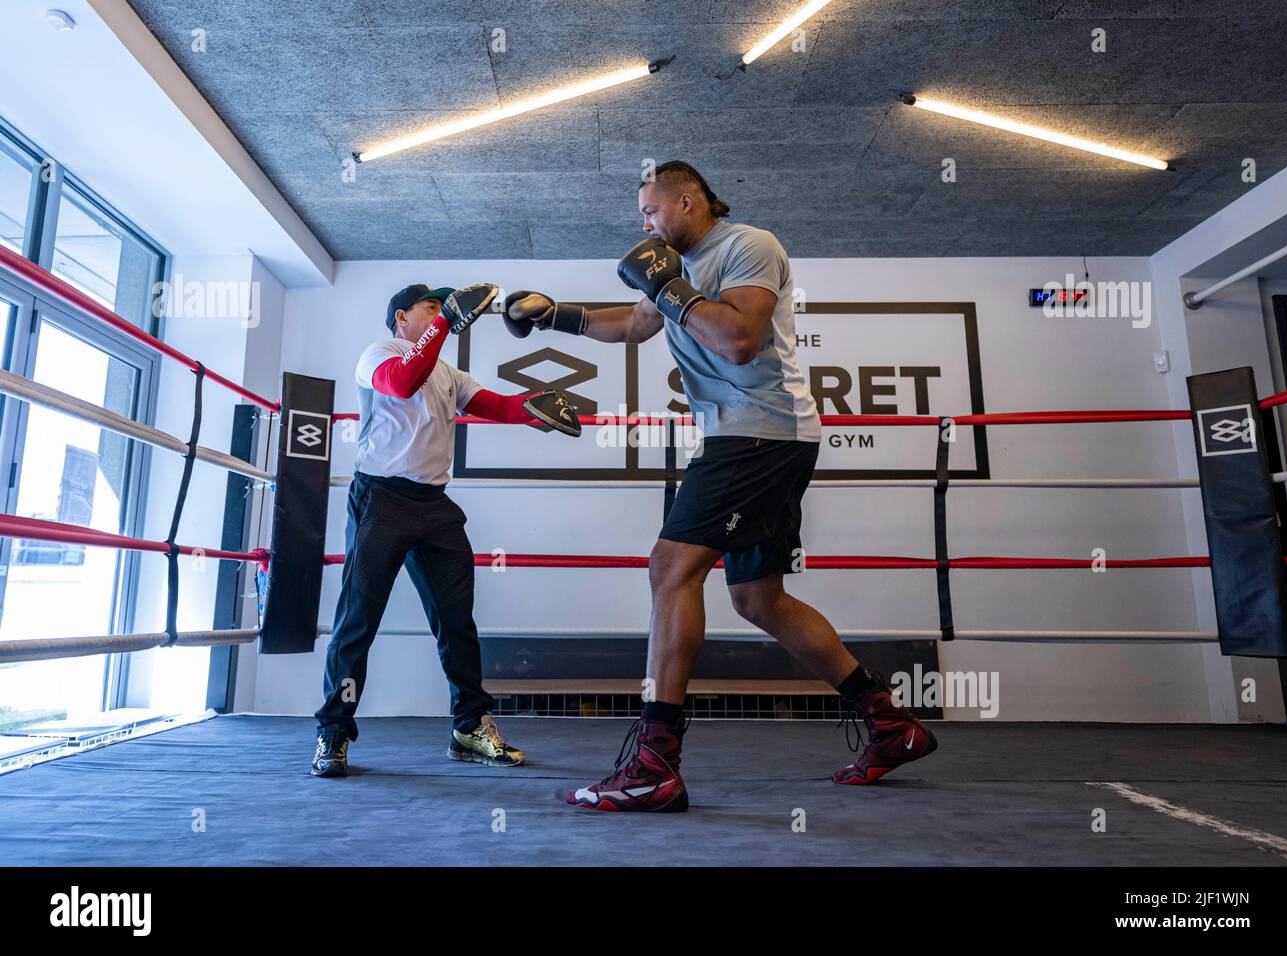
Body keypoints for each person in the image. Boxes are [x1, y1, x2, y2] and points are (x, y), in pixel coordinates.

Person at [503, 161, 938, 812]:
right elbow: (633, 325)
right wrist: (554, 316)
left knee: (670, 569)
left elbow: (738, 340)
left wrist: (672, 288)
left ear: (687, 201)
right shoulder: (671, 267)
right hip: (753, 435)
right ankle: (891, 723)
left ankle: (655, 765)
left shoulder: (747, 246)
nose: (644, 225)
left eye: (651, 212)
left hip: (759, 430)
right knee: (759, 600)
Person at [311, 282, 580, 777]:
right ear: (401, 319)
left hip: (433, 505)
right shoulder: (379, 354)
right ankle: (333, 731)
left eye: (445, 308)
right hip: (381, 500)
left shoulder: (449, 372)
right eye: (431, 308)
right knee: (358, 621)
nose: (444, 314)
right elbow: (400, 383)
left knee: (457, 622)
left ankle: (470, 727)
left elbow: (495, 406)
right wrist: (445, 322)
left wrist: (534, 405)